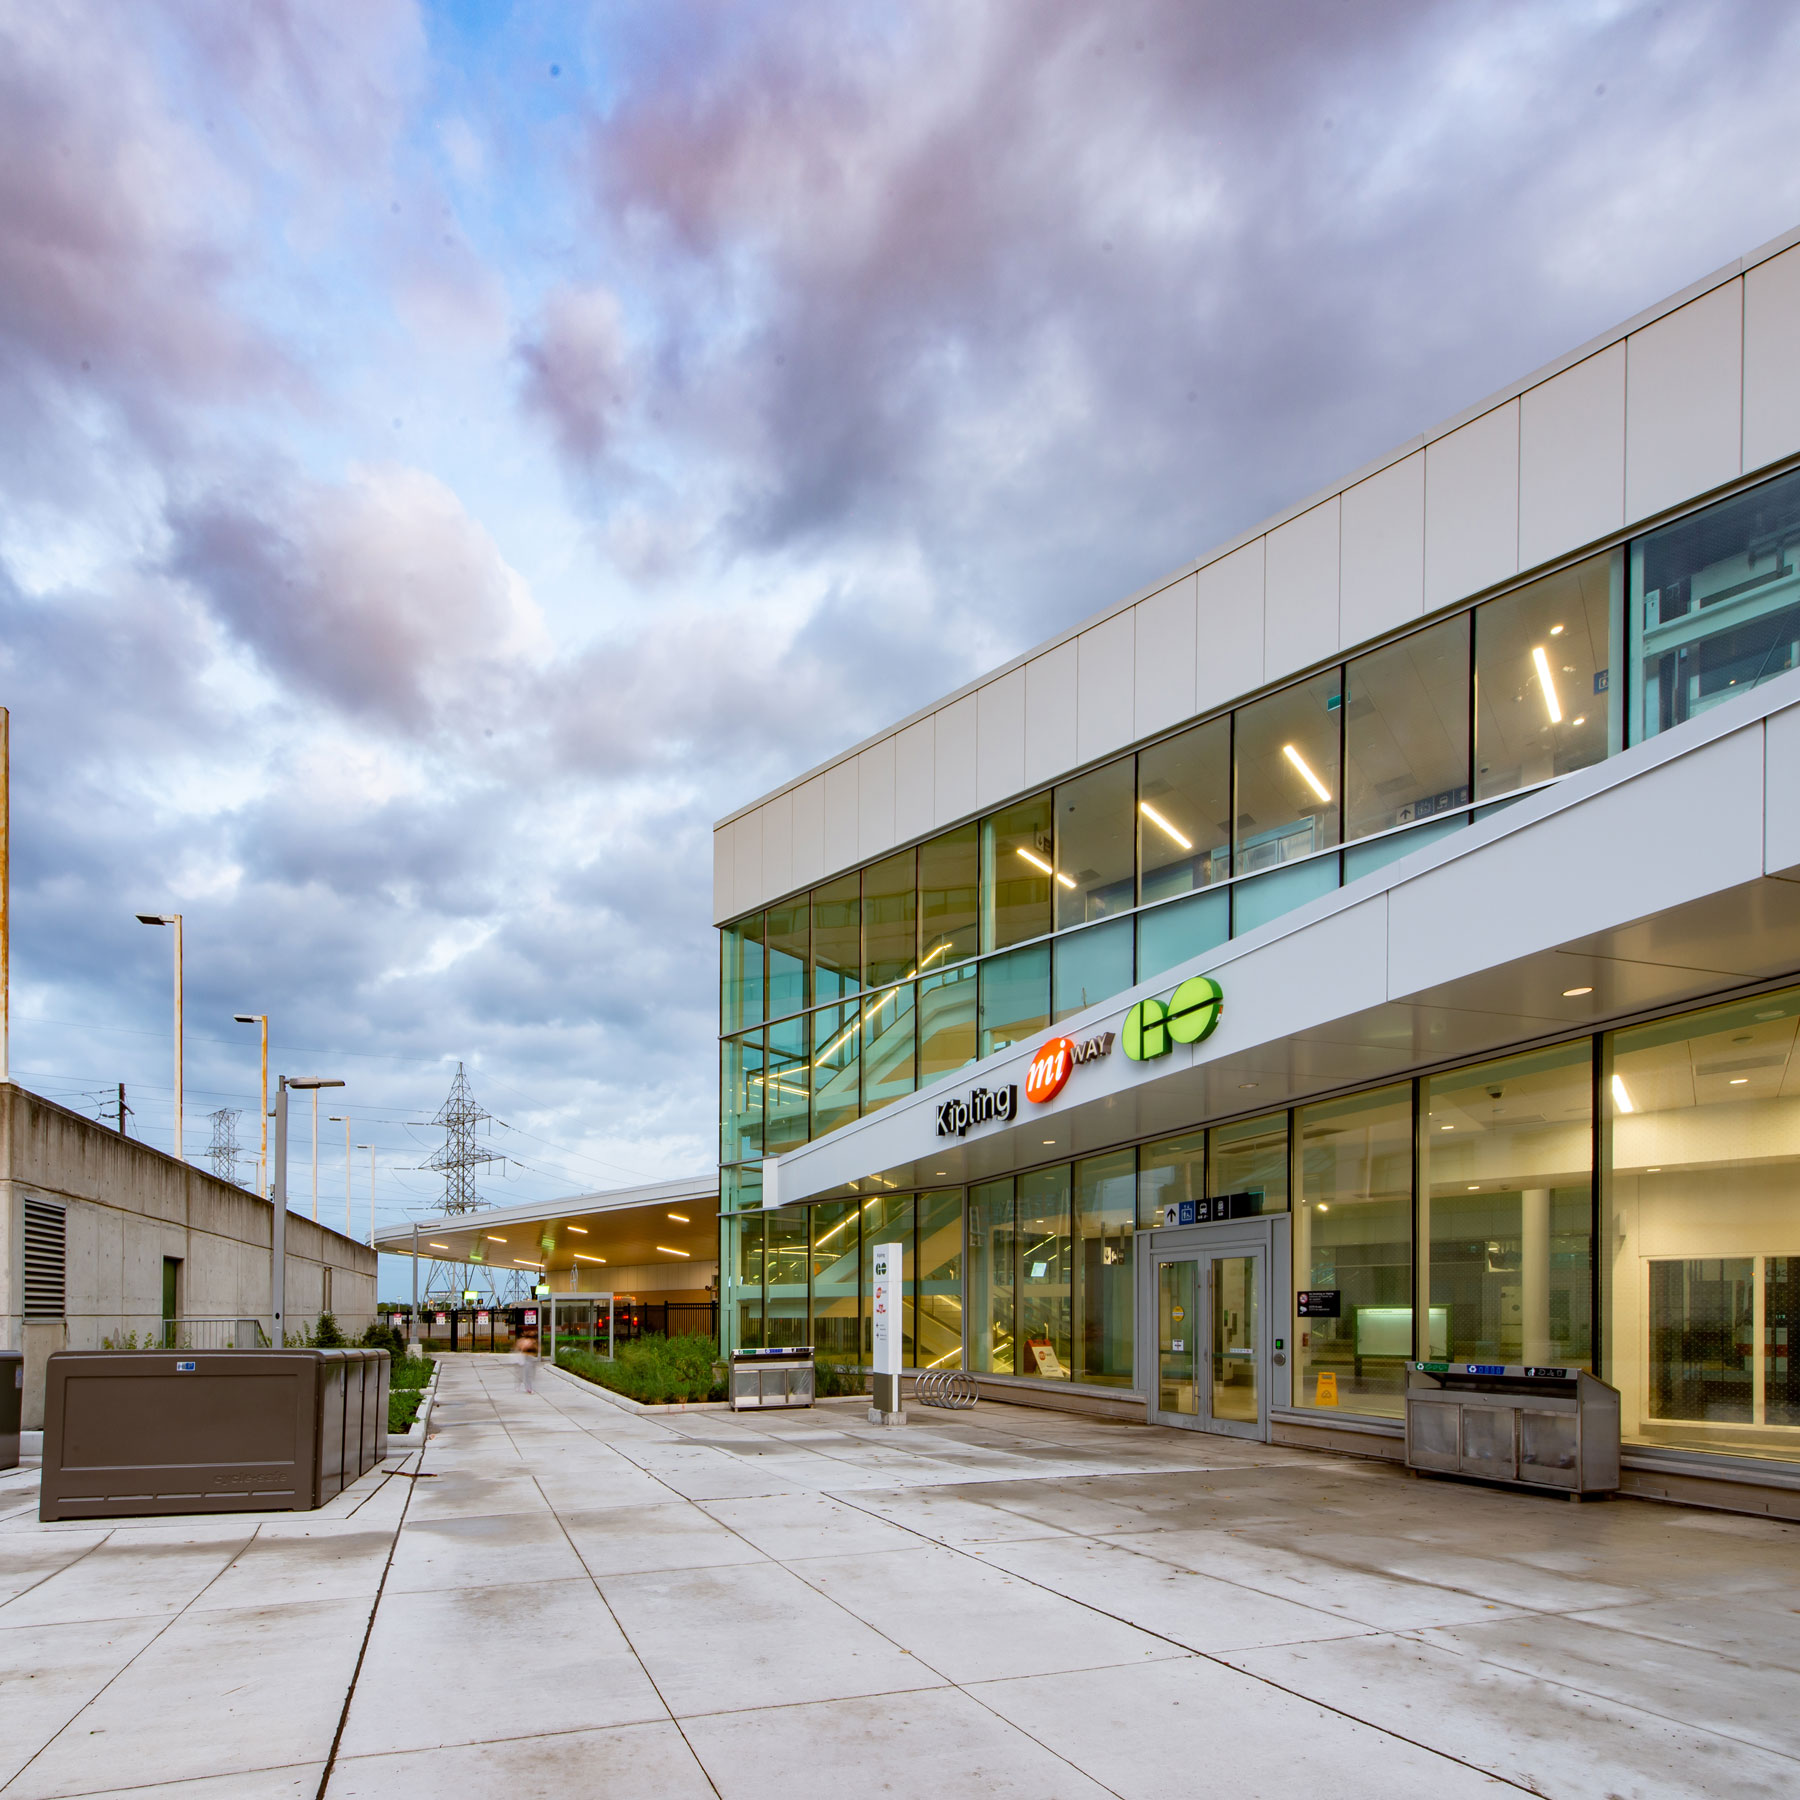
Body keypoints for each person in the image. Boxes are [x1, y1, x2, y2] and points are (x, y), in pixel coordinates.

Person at [511, 1325, 539, 1392]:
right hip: (524, 1359)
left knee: (528, 1374)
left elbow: (536, 1349)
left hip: (529, 1359)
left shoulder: (532, 1340)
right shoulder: (523, 1340)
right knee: (523, 1374)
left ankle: (527, 1387)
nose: (534, 1332)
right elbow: (522, 1348)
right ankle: (524, 1387)